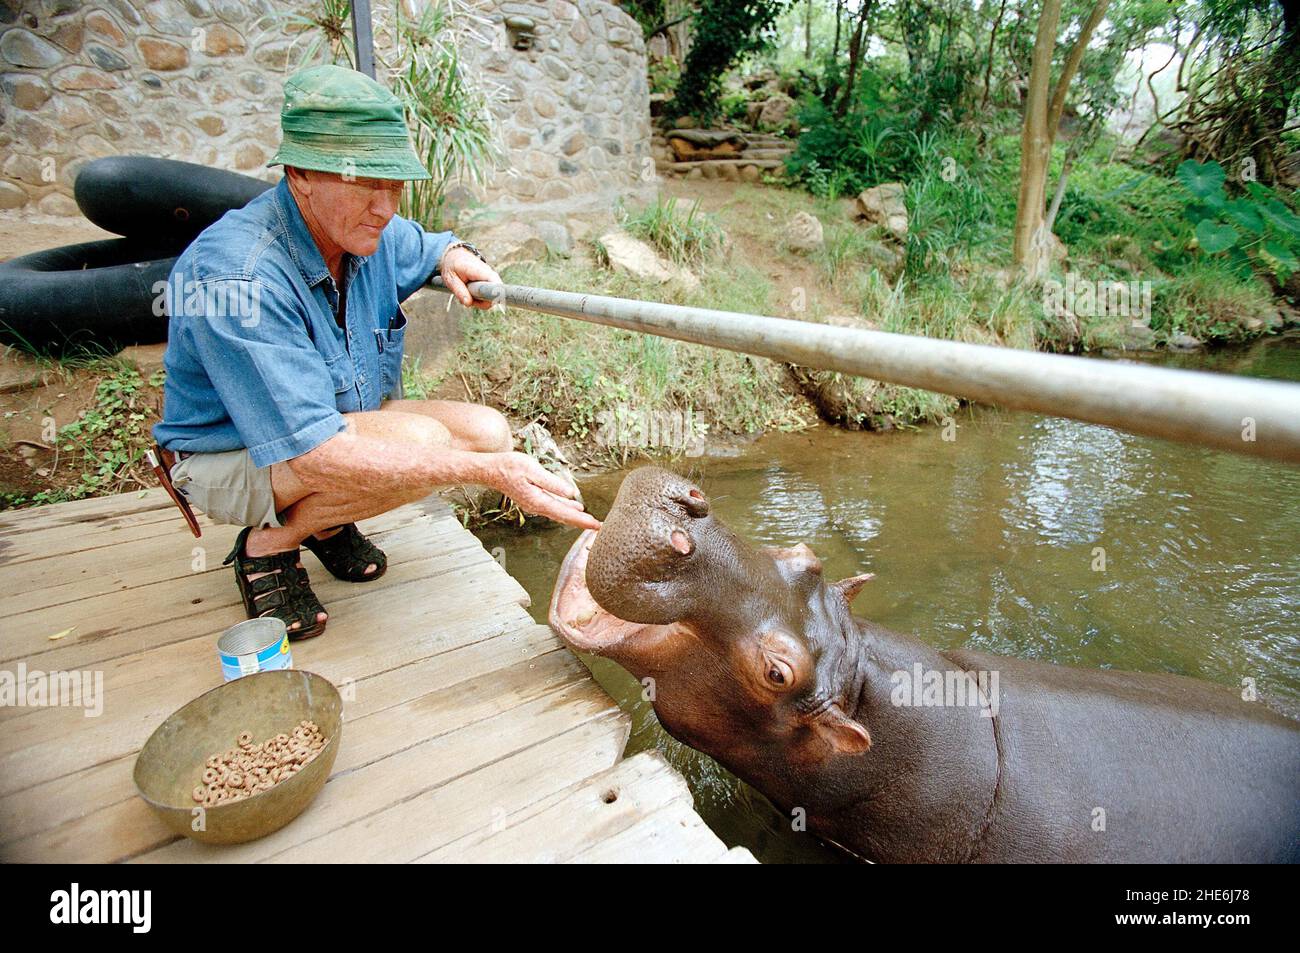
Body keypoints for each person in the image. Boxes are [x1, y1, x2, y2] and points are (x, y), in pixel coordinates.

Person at [153, 64, 600, 640]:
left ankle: (325, 523)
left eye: (394, 186)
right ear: (300, 174)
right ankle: (267, 546)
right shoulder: (238, 277)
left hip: (321, 433)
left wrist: (454, 253)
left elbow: (426, 241)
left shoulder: (368, 231)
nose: (385, 208)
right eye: (366, 184)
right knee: (435, 446)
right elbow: (315, 455)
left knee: (488, 430)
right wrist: (488, 474)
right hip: (230, 455)